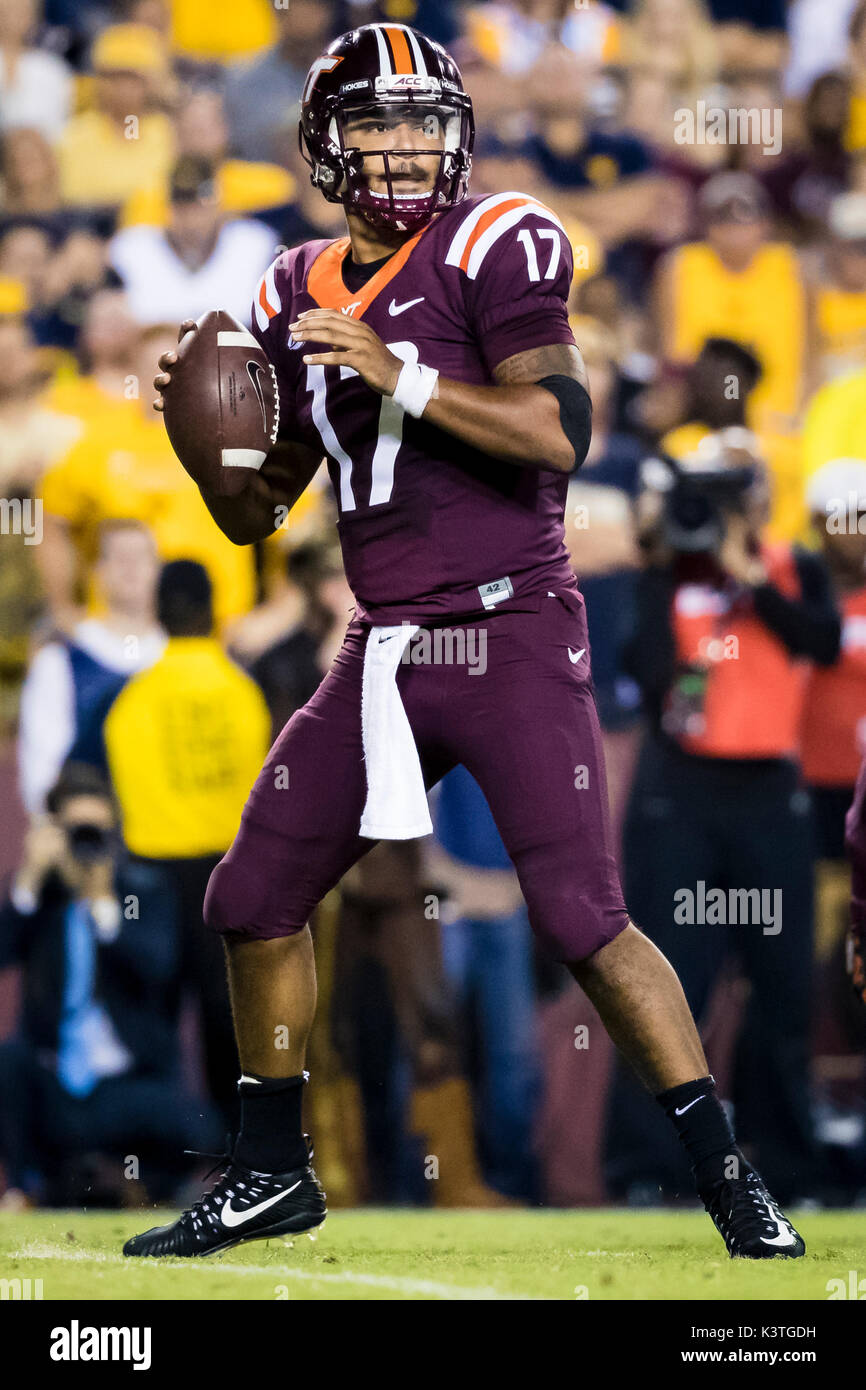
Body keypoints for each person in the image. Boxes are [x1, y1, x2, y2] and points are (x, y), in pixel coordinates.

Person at [125, 22, 805, 1261]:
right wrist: (203, 433)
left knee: (582, 915)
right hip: (381, 645)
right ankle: (272, 1172)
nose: (404, 145)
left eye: (423, 119)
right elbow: (255, 514)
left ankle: (726, 1175)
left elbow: (560, 430)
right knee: (253, 896)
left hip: (506, 628)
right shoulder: (285, 287)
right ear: (326, 147)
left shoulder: (497, 238)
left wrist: (402, 374)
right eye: (377, 123)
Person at [605, 432, 840, 1205]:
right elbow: (641, 671)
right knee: (671, 985)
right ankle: (648, 1170)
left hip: (770, 794)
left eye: (735, 489)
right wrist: (664, 553)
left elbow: (824, 640)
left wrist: (751, 580)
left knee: (780, 991)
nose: (719, 508)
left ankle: (789, 1168)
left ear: (765, 498)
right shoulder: (671, 568)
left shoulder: (794, 565)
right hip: (682, 795)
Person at [103, 561, 271, 1128]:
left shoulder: (132, 699)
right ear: (213, 609)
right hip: (226, 872)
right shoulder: (245, 693)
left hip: (150, 876)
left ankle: (155, 1159)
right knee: (230, 1020)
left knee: (151, 1020)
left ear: (158, 611)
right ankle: (235, 1157)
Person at [0, 763, 213, 1207]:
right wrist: (29, 880)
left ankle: (152, 1187)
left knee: (199, 1126)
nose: (87, 845)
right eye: (76, 831)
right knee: (9, 1063)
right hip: (56, 1085)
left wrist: (104, 908)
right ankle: (26, 1188)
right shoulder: (39, 896)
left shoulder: (141, 891)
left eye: (96, 833)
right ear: (52, 831)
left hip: (127, 1085)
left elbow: (158, 967)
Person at [17, 519, 166, 814]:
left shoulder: (181, 658)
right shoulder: (60, 661)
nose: (131, 568)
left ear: (159, 570)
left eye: (141, 557)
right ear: (98, 572)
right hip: (88, 831)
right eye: (119, 558)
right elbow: (42, 765)